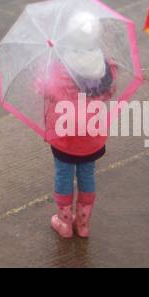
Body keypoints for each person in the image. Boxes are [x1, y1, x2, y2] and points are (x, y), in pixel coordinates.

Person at [36, 13, 116, 239]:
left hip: (64, 136)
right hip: (91, 137)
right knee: (87, 175)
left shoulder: (59, 67)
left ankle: (64, 224)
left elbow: (43, 87)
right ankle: (83, 225)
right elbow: (110, 91)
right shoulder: (106, 66)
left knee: (63, 176)